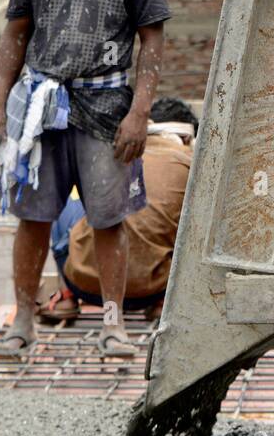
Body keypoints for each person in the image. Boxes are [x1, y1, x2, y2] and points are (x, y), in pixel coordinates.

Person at [0, 0, 171, 358]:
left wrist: (140, 113)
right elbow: (16, 33)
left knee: (108, 219)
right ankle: (23, 317)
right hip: (42, 110)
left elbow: (151, 42)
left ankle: (113, 323)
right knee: (33, 216)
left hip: (106, 110)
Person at [39, 97, 197, 322]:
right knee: (186, 216)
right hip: (155, 287)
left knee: (62, 189)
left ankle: (67, 295)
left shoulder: (111, 150)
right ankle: (163, 304)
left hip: (87, 285)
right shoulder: (193, 162)